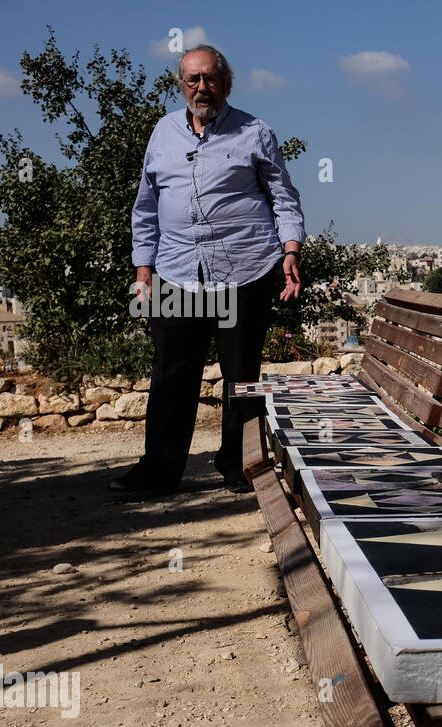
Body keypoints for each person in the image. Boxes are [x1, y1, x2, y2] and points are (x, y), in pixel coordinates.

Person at [110, 43, 304, 499]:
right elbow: (146, 208)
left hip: (245, 268)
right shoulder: (163, 132)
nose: (202, 87)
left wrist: (291, 249)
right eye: (193, 79)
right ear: (182, 85)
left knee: (241, 376)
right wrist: (143, 273)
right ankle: (159, 470)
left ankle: (241, 465)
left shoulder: (255, 132)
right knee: (171, 375)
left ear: (226, 82)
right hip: (177, 271)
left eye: (211, 78)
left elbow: (283, 196)